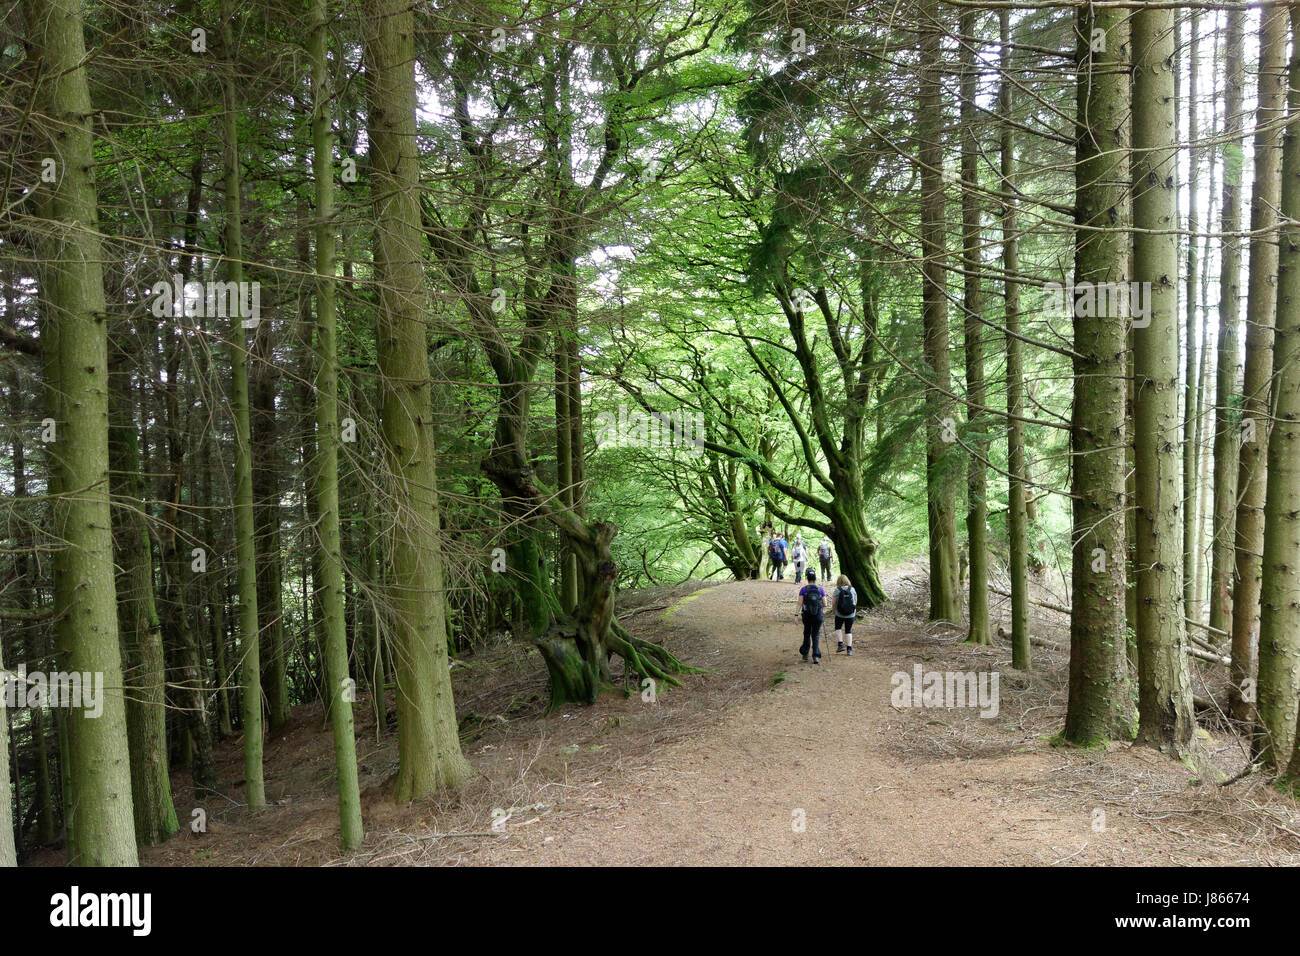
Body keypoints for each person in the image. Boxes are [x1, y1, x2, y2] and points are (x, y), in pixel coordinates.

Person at [796, 568, 826, 664]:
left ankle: (805, 654)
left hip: (807, 615)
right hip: (818, 615)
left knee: (807, 633)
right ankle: (816, 656)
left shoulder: (803, 589)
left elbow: (799, 603)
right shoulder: (820, 589)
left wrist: (796, 615)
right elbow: (825, 604)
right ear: (815, 578)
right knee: (816, 634)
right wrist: (820, 610)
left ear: (807, 578)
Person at [831, 574, 858, 656]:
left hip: (839, 614)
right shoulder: (852, 589)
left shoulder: (837, 590)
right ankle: (849, 649)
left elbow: (834, 603)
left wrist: (833, 611)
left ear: (838, 581)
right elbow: (855, 601)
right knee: (848, 631)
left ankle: (840, 644)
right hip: (851, 614)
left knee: (838, 628)